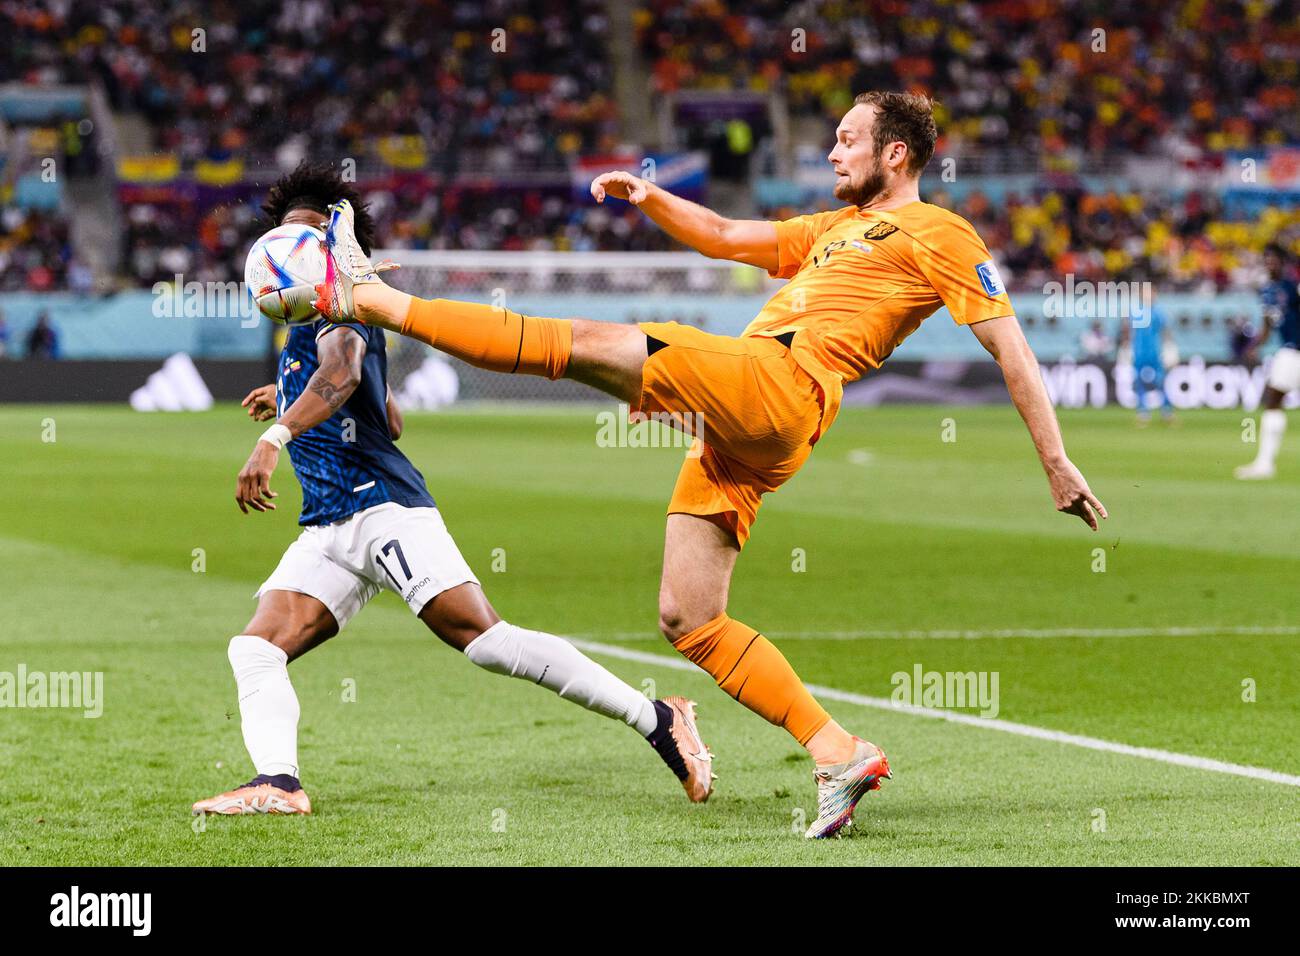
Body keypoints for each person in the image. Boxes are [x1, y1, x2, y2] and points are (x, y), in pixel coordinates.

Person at [313, 92, 1107, 838]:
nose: (832, 151)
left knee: (584, 344)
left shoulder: (942, 233)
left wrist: (1057, 460)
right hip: (750, 423)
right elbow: (728, 238)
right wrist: (651, 198)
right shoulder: (835, 229)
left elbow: (1009, 343)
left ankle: (372, 299)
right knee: (688, 617)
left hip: (777, 384)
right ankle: (838, 752)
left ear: (896, 154)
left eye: (847, 139)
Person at [193, 162, 712, 816]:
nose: (293, 251)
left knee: (486, 641)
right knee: (255, 647)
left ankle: (658, 717)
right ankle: (279, 783)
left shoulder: (348, 304)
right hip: (328, 528)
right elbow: (388, 412)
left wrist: (276, 437)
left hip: (382, 510)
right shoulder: (309, 314)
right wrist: (292, 396)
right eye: (285, 236)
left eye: (308, 236)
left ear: (334, 241)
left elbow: (347, 371)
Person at [1236, 245, 1300, 479]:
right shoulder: (1266, 292)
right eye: (1267, 259)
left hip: (1295, 350)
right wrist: (1253, 346)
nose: (1270, 263)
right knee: (1273, 400)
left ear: (1283, 262)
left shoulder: (1292, 286)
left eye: (1274, 259)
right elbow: (1267, 327)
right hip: (1289, 352)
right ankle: (1264, 463)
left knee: (1273, 400)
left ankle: (1265, 463)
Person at [1129, 295, 1177, 426]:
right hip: (1139, 352)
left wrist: (1170, 347)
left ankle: (1167, 411)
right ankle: (1143, 412)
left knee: (1160, 381)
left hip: (1155, 352)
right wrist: (1126, 347)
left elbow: (1165, 331)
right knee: (1139, 382)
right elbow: (1129, 331)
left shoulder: (1159, 313)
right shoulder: (1135, 312)